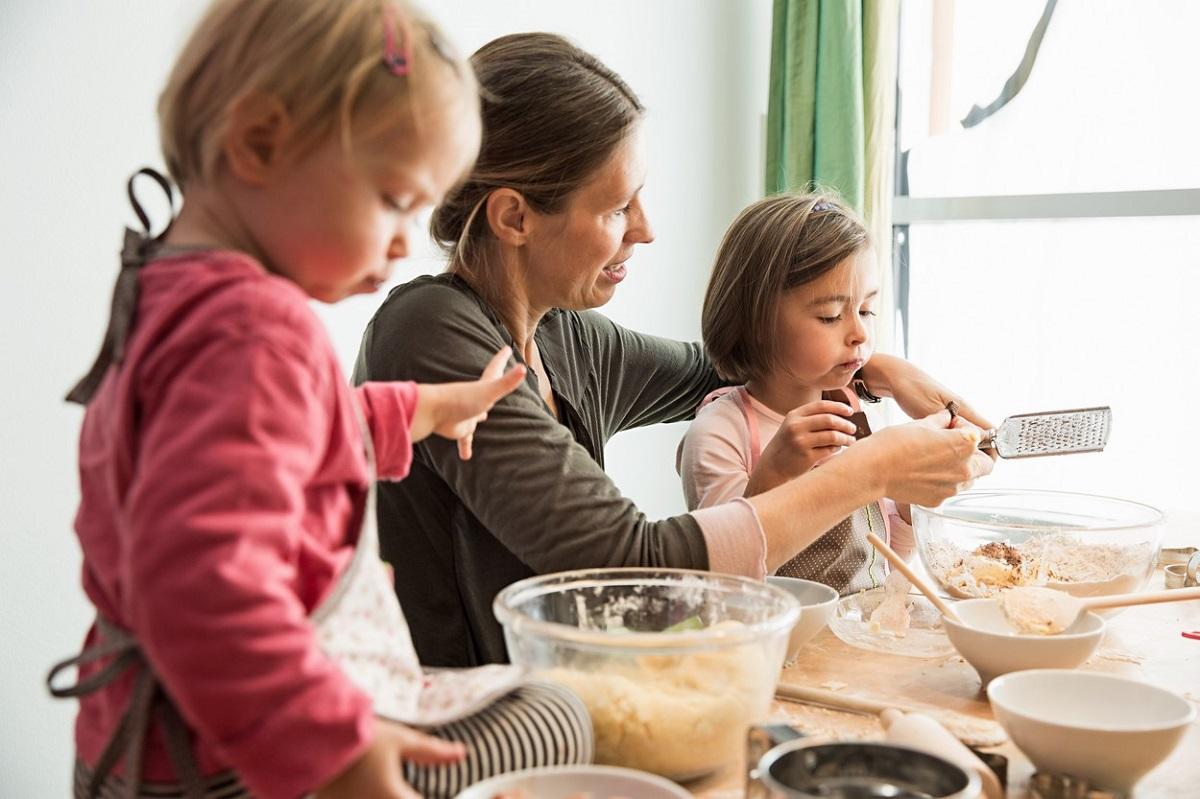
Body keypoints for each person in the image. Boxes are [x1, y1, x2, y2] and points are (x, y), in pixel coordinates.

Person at [50, 4, 593, 798]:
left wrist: (425, 409)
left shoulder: (169, 290)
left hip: (144, 746)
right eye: (393, 199)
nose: (408, 240)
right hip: (235, 760)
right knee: (555, 715)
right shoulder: (253, 328)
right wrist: (337, 755)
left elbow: (286, 436)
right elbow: (205, 586)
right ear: (261, 144)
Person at [354, 32, 994, 669]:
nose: (646, 228)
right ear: (514, 218)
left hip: (564, 692)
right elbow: (629, 564)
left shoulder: (564, 337)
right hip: (454, 720)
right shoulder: (430, 335)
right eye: (615, 209)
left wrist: (877, 368)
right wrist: (872, 471)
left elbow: (744, 356)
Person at [678, 192, 934, 595]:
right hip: (779, 647)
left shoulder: (855, 411)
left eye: (866, 310)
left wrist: (909, 505)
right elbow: (724, 581)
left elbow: (885, 563)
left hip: (859, 636)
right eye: (830, 316)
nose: (861, 333)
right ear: (757, 321)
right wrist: (776, 472)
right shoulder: (722, 431)